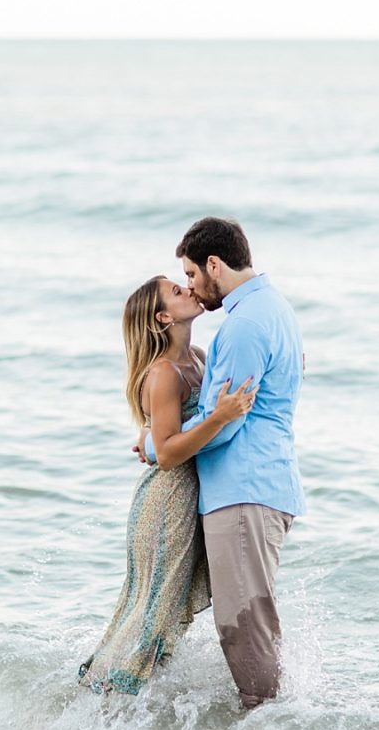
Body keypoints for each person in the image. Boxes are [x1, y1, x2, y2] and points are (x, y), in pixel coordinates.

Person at [143, 217, 306, 710]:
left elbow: (226, 422)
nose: (191, 285)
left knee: (243, 629)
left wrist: (155, 448)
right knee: (250, 625)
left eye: (191, 274)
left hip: (243, 488)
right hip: (259, 483)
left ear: (215, 265)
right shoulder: (270, 307)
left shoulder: (243, 326)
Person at [79, 276, 256, 694]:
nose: (188, 289)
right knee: (150, 615)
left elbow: (165, 434)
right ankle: (99, 710)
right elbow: (172, 452)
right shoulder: (163, 374)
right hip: (167, 502)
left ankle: (116, 714)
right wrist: (219, 418)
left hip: (190, 497)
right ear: (163, 317)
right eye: (177, 291)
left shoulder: (196, 358)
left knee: (160, 613)